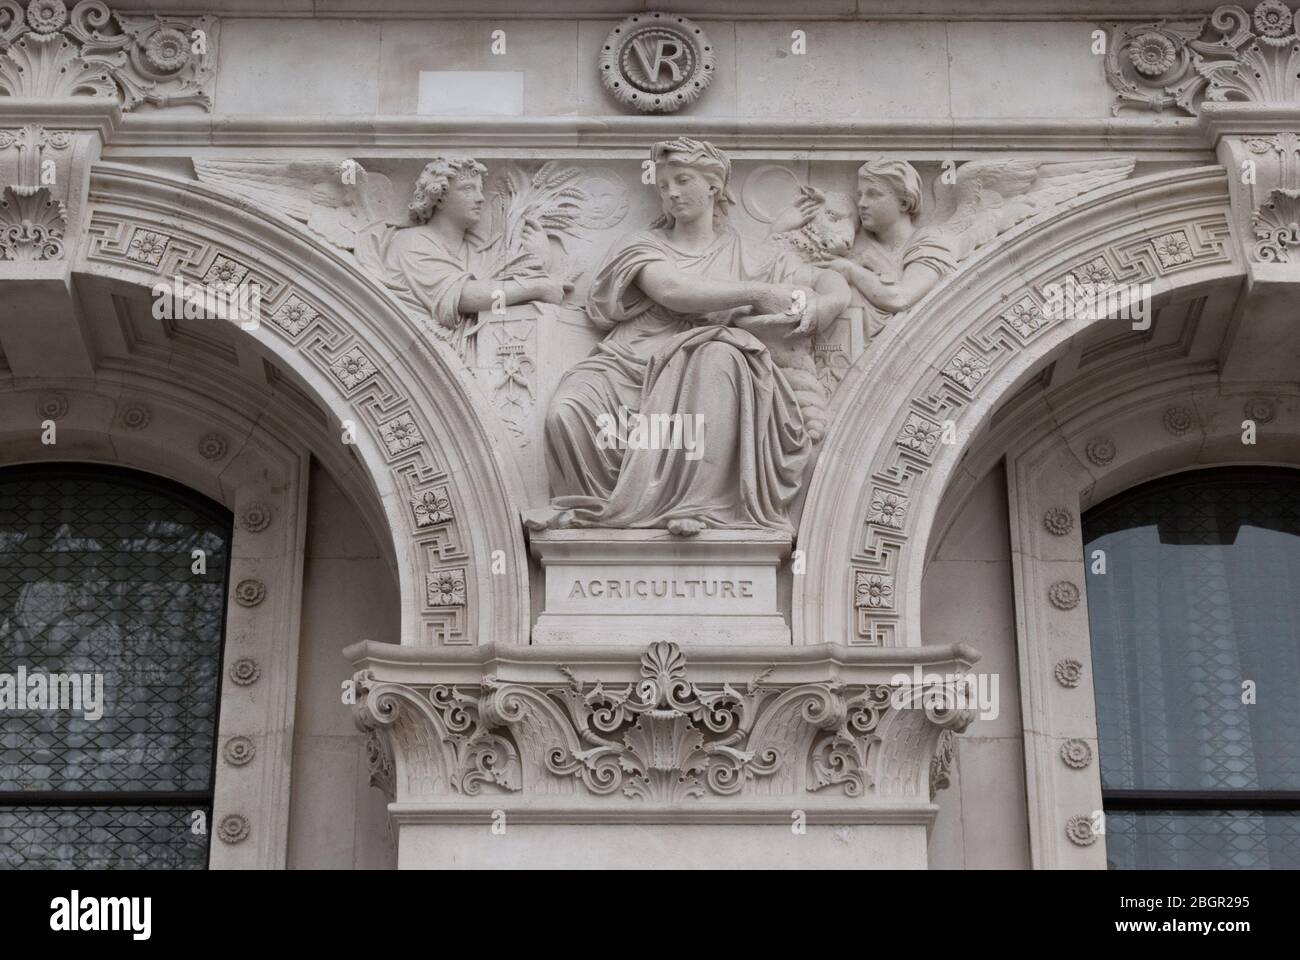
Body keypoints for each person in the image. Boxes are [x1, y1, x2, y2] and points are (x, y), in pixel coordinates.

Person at [531, 138, 850, 536]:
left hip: (698, 370)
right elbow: (673, 290)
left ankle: (698, 503)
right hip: (629, 364)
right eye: (663, 186)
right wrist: (754, 292)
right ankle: (595, 508)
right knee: (568, 406)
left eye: (682, 181)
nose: (672, 193)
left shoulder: (751, 254)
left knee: (719, 355)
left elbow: (825, 275)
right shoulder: (642, 246)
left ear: (714, 187)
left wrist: (829, 304)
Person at [357, 157, 568, 357]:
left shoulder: (476, 253)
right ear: (439, 197)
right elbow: (464, 297)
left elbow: (496, 297)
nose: (480, 198)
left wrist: (538, 260)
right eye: (468, 189)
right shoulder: (412, 242)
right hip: (418, 358)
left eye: (480, 190)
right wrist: (536, 287)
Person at [823, 157, 956, 337]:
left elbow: (901, 298)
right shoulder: (855, 243)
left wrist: (850, 270)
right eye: (860, 194)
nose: (861, 203)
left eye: (873, 194)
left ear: (904, 202)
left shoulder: (931, 241)